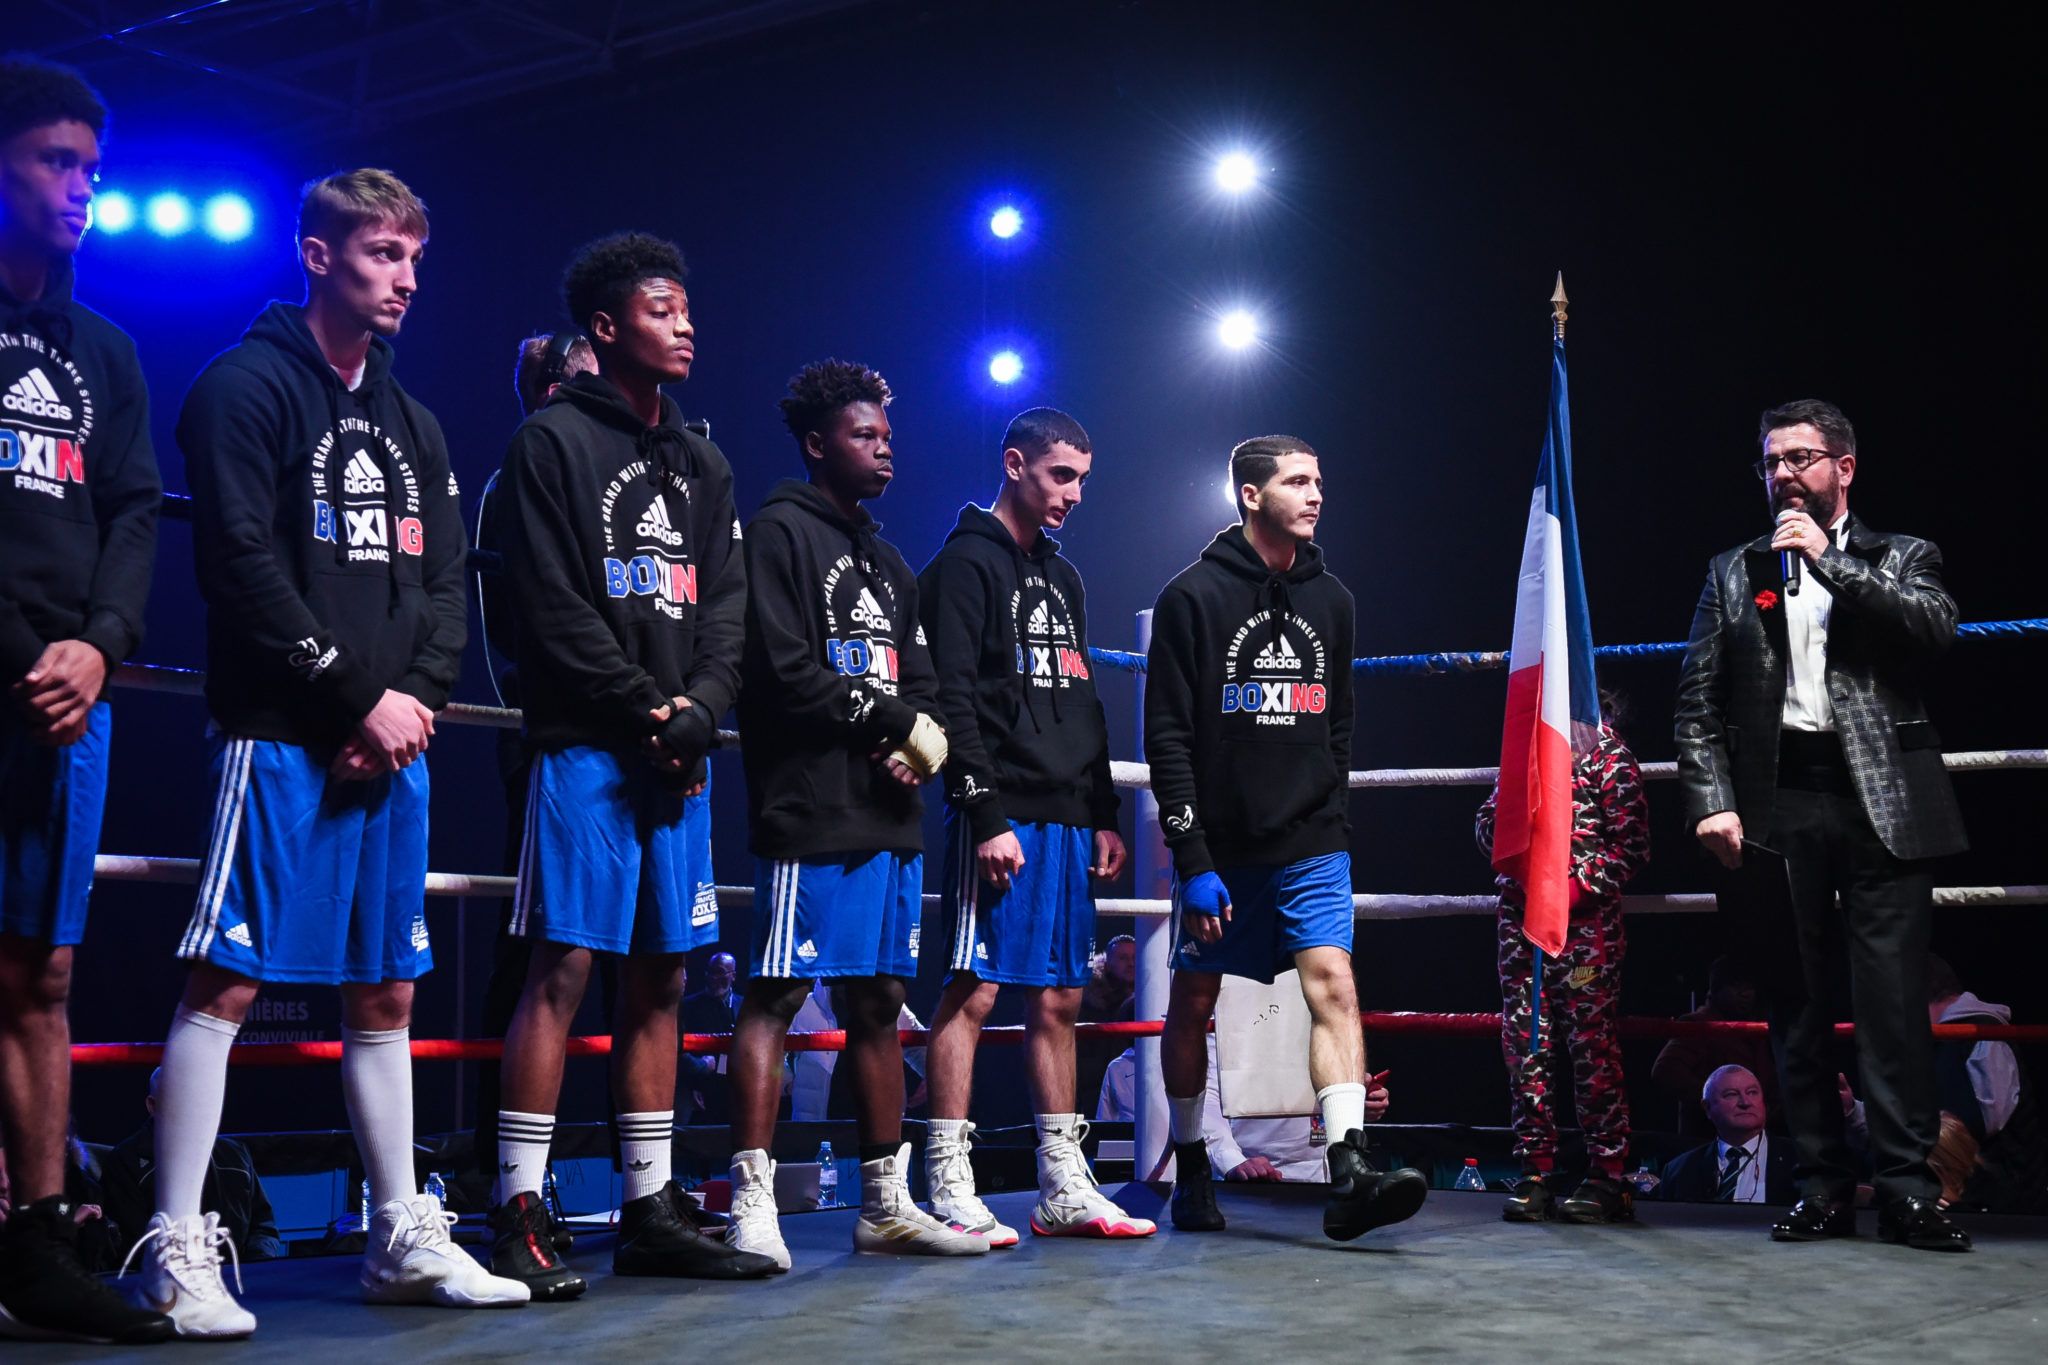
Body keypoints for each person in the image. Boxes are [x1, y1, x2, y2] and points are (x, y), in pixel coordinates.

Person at [140, 168, 523, 1338]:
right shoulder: (241, 388)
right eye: (378, 256)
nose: (404, 280)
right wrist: (357, 697)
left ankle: (400, 1230)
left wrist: (408, 701)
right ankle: (171, 1245)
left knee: (389, 988)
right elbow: (239, 568)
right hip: (280, 736)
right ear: (316, 257)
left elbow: (444, 589)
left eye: (413, 257)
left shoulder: (413, 422)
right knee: (231, 979)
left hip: (393, 749)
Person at [490, 234, 771, 1293]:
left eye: (687, 308)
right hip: (584, 750)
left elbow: (728, 602)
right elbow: (551, 605)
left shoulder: (703, 461)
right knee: (562, 971)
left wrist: (699, 709)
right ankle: (518, 1204)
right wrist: (645, 707)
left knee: (661, 977)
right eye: (661, 308)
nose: (685, 324)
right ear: (606, 327)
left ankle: (649, 1205)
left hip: (679, 758)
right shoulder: (551, 443)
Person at [1675, 399, 1972, 1252]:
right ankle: (1819, 1187)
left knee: (1890, 1007)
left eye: (1801, 458)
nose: (1782, 476)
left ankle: (1911, 1191)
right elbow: (1695, 700)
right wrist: (1709, 799)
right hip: (1777, 802)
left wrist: (1832, 565)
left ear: (1843, 468)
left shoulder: (1901, 554)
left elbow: (1933, 628)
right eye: (1771, 461)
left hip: (1882, 797)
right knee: (1793, 1006)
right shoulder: (1735, 569)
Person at [724, 359, 985, 1268]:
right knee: (777, 997)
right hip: (808, 805)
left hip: (887, 812)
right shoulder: (776, 534)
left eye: (887, 436)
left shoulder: (889, 559)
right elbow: (785, 672)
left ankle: (885, 1201)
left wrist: (924, 737)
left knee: (880, 1001)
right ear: (816, 443)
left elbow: (926, 684)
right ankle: (750, 1201)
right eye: (864, 436)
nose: (884, 451)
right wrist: (895, 721)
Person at [1145, 434, 1426, 1240]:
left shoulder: (1333, 599)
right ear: (1248, 494)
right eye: (1297, 481)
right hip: (1222, 845)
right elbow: (1166, 735)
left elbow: (1339, 727)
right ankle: (1192, 1164)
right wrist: (1192, 858)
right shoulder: (1191, 597)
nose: (1315, 495)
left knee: (1334, 982)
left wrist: (1330, 815)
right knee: (1194, 1001)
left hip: (1311, 837)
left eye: (1319, 481)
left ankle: (1351, 1167)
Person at [0, 55, 173, 1346]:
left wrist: (102, 647)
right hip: (17, 671)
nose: (82, 191)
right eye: (59, 163)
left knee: (43, 971)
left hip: (70, 697)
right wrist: (33, 647)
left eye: (93, 172)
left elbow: (127, 511)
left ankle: (43, 1237)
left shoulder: (102, 348)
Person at [917, 406, 1151, 1244]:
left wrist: (1103, 809)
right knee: (974, 990)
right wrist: (982, 810)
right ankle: (948, 1179)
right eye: (1061, 474)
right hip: (1001, 810)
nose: (1075, 493)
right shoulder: (962, 566)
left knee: (1061, 996)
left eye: (1084, 477)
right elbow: (950, 697)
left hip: (1065, 816)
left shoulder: (1065, 578)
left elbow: (1081, 699)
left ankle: (1061, 1183)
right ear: (1016, 465)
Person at [1477, 690, 1650, 1224]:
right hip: (1522, 927)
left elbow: (1632, 847)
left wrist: (1573, 888)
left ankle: (1608, 1175)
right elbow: (1485, 825)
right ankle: (1535, 1171)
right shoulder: (1524, 754)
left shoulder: (1609, 756)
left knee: (1591, 1049)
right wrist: (1519, 855)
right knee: (1526, 1050)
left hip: (1586, 929)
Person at [1844, 956, 2044, 1213]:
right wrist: (1853, 1110)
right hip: (1956, 1196)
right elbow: (1914, 1123)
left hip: (1996, 1206)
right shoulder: (1931, 1045)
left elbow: (1963, 1131)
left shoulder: (1983, 1034)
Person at [98, 1069, 286, 1269]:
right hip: (170, 1289)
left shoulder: (235, 1155)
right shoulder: (125, 1162)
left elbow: (264, 1229)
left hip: (242, 1287)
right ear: (152, 1106)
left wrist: (252, 1271)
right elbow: (134, 1247)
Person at [1650, 955, 1781, 1139]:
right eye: (1736, 986)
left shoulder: (1758, 1027)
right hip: (1708, 1139)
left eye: (1750, 986)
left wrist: (1770, 1106)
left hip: (1759, 1136)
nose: (1746, 993)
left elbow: (1772, 1078)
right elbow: (1665, 1071)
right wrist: (1717, 1102)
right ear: (1716, 990)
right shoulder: (1699, 1025)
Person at [1655, 1066, 1798, 1204]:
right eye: (1732, 1094)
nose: (1745, 1102)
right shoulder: (1679, 1170)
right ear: (1708, 1108)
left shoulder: (1798, 1159)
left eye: (1752, 1092)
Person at [1075, 934, 1136, 1124]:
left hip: (1141, 1088)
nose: (1131, 963)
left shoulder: (1155, 1000)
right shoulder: (1089, 1005)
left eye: (1135, 957)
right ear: (1108, 963)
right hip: (1095, 1091)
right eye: (1123, 958)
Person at [680, 951, 741, 1123]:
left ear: (733, 976)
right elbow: (680, 1051)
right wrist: (692, 1086)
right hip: (702, 1088)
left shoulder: (743, 1006)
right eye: (711, 971)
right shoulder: (687, 1006)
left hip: (735, 1088)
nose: (714, 977)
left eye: (720, 972)